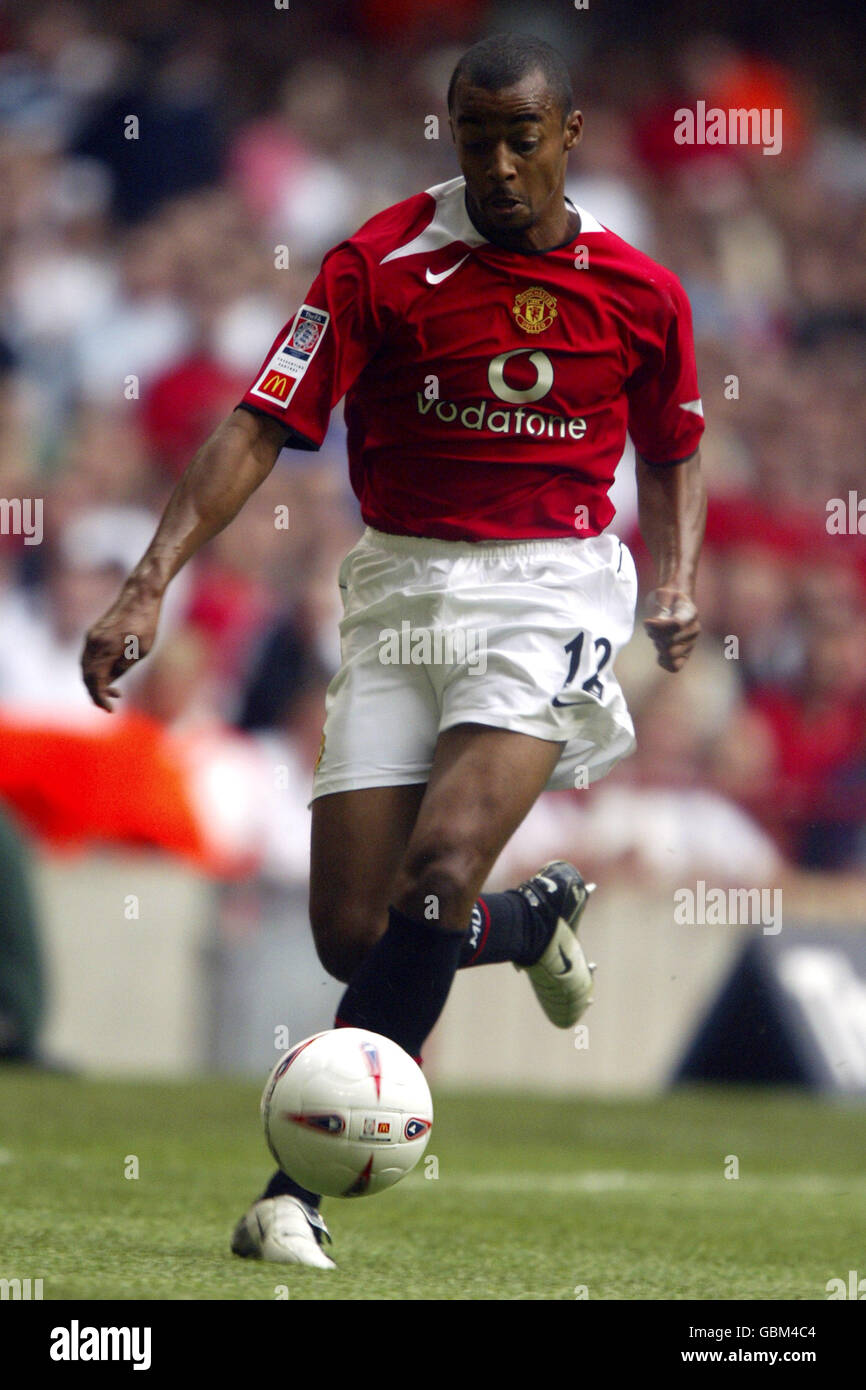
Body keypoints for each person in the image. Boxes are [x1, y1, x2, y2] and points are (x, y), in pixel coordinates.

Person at [81, 33, 706, 1270]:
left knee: (440, 865)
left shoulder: (639, 291)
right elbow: (263, 423)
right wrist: (149, 581)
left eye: (521, 137)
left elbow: (674, 439)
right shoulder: (375, 264)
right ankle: (527, 925)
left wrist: (677, 574)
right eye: (473, 137)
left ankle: (289, 1192)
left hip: (550, 592)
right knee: (357, 933)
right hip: (398, 589)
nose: (497, 162)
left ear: (568, 134)